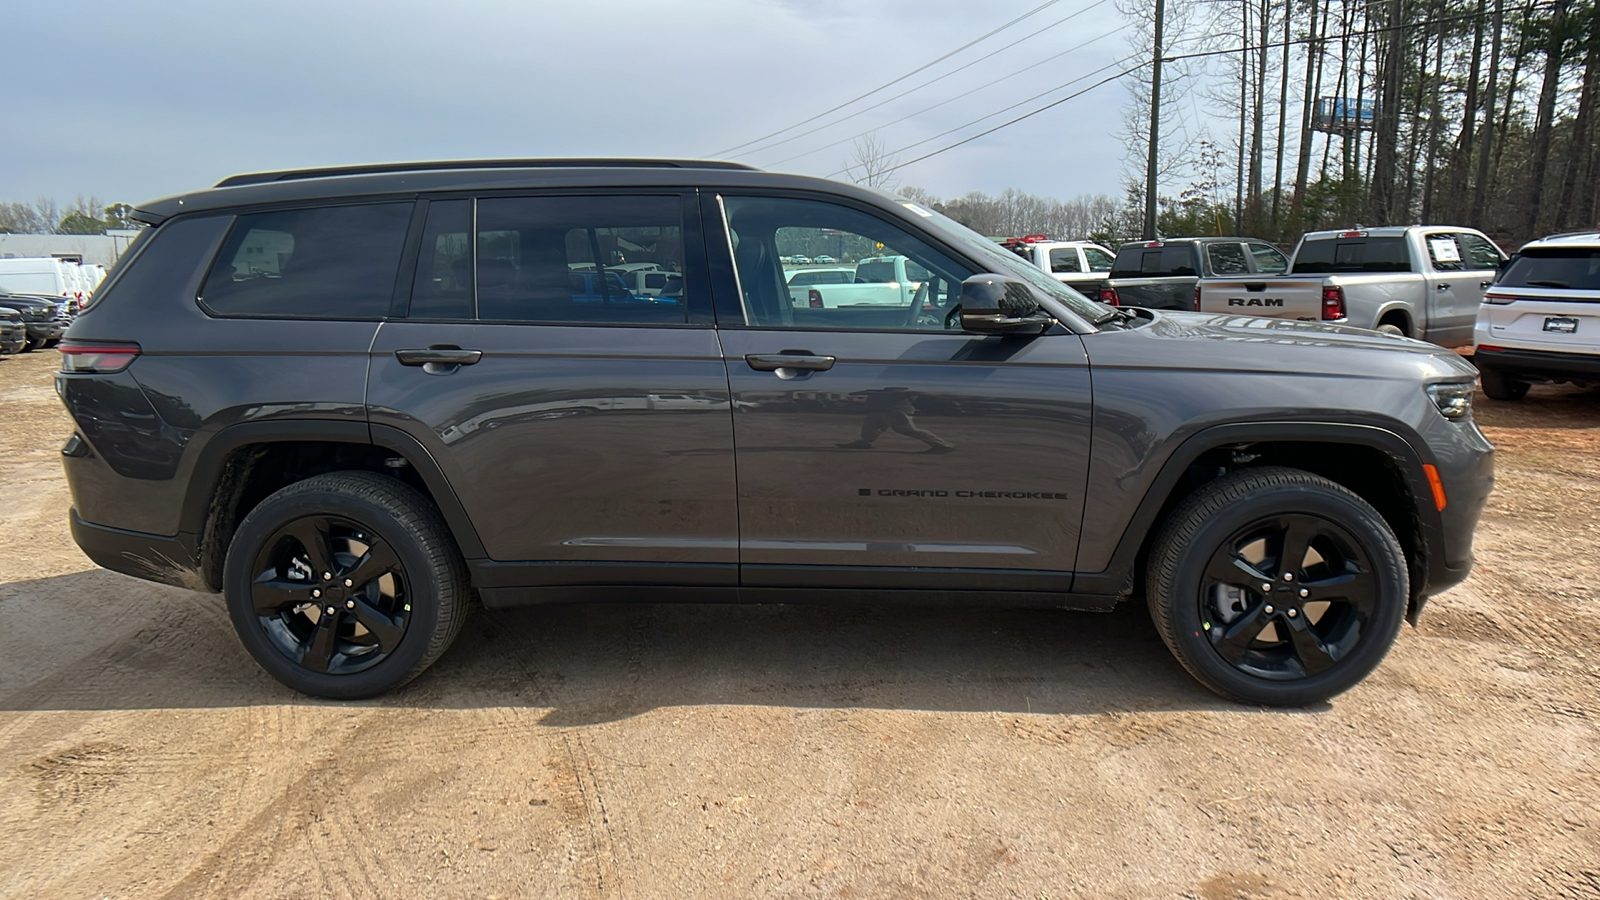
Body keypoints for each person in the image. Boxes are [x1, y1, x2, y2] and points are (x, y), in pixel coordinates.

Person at [837, 387, 954, 453]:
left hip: (895, 411)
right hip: (879, 411)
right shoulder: (879, 392)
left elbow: (924, 394)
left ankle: (942, 445)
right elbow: (855, 393)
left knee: (907, 429)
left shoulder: (903, 393)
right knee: (870, 425)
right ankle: (865, 442)